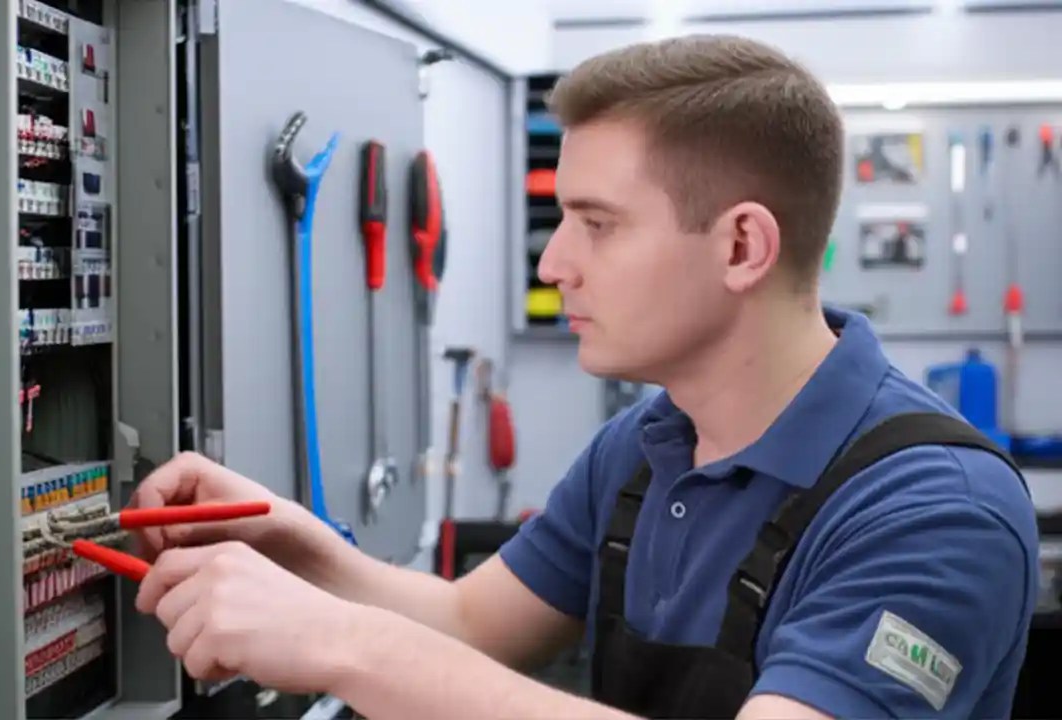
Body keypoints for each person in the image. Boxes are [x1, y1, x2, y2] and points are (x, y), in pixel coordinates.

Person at [128, 33, 1040, 719]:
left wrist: (339, 643)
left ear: (742, 245)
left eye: (596, 224)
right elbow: (472, 622)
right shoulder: (645, 446)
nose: (554, 263)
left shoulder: (935, 508)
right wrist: (296, 545)